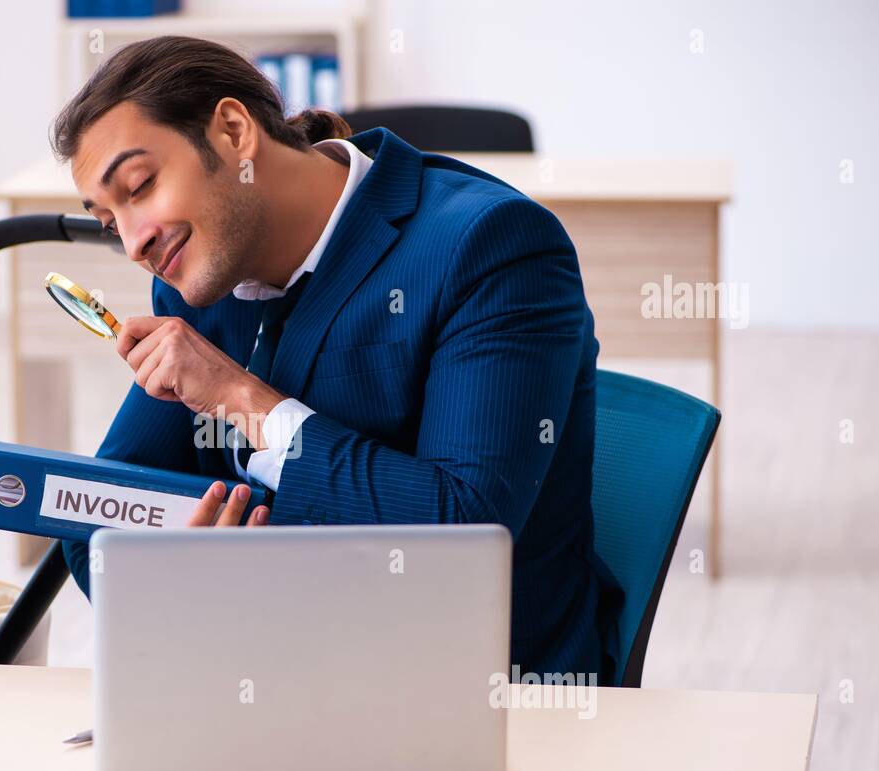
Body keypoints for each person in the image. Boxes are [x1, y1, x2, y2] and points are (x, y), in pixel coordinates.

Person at [51, 36, 623, 679]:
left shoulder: (490, 246)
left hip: (474, 693)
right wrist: (180, 580)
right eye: (108, 221)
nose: (133, 242)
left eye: (141, 185)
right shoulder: (197, 278)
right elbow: (91, 512)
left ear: (234, 132)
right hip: (274, 673)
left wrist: (245, 401)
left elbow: (466, 534)